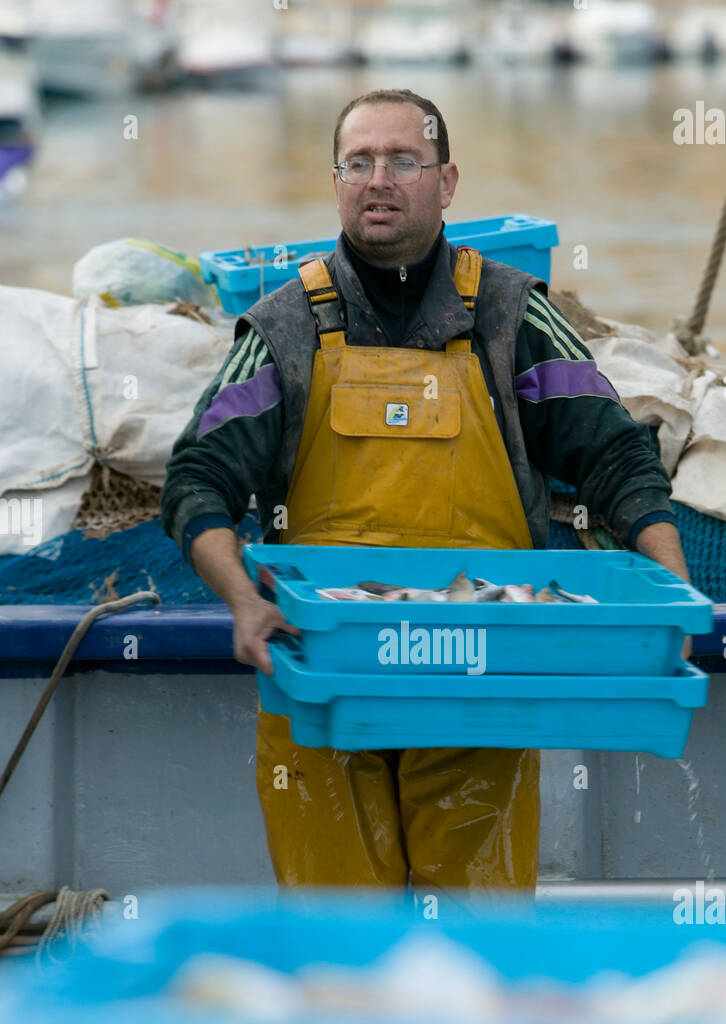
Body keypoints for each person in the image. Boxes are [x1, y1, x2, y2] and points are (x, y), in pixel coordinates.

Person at [161, 87, 692, 900]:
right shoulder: (283, 326)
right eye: (360, 162)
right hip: (323, 683)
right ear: (336, 181)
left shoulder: (515, 315)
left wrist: (672, 596)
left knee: (476, 960)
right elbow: (199, 477)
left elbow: (616, 457)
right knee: (340, 958)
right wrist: (241, 599)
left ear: (446, 183)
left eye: (404, 161)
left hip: (480, 686)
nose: (380, 179)